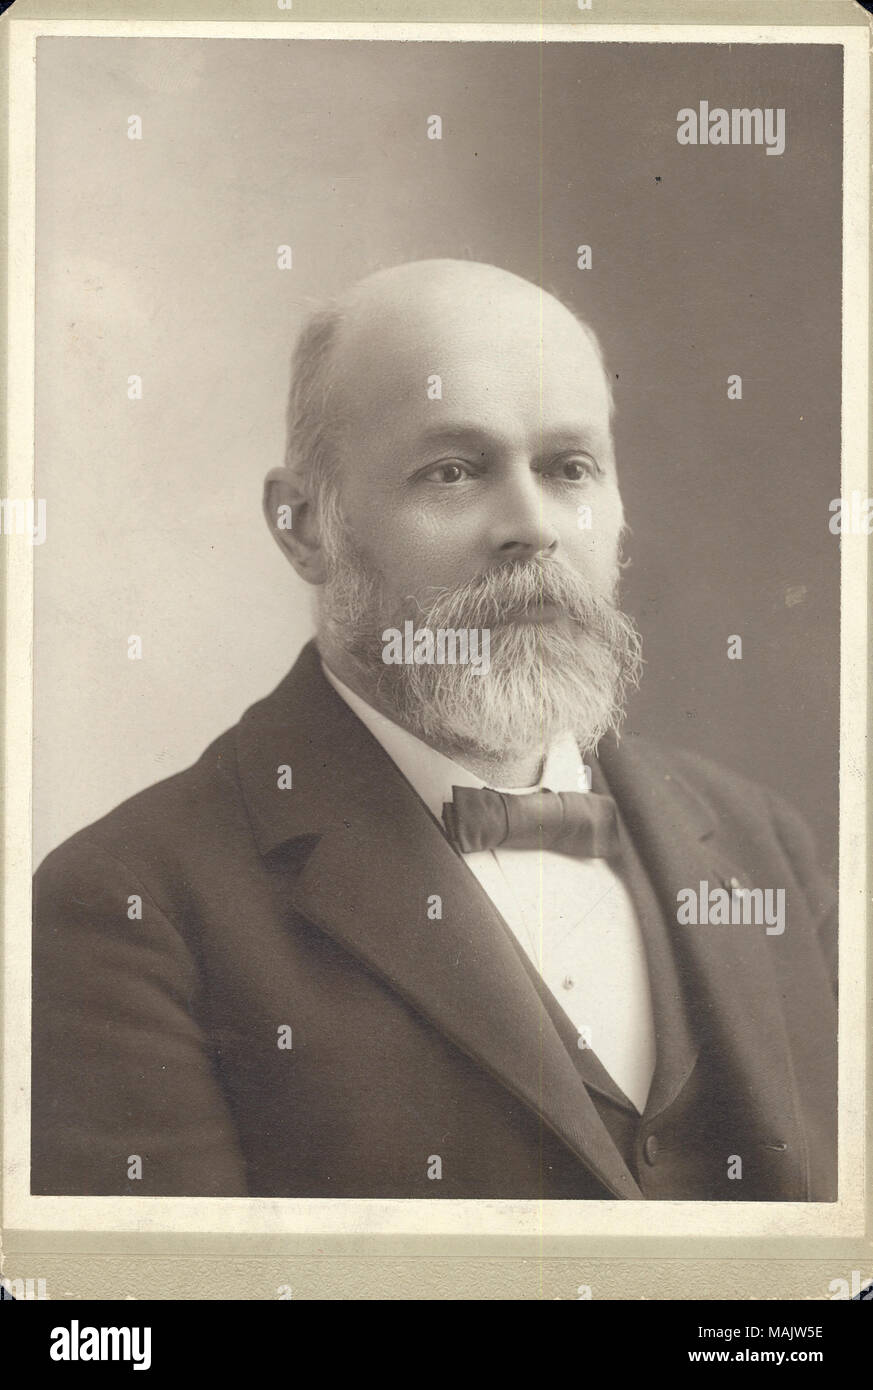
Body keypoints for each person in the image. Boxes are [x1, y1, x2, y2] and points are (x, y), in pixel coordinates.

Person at [32, 260, 837, 1200]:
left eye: (568, 467)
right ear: (302, 529)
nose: (531, 526)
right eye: (452, 472)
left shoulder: (760, 841)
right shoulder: (130, 910)